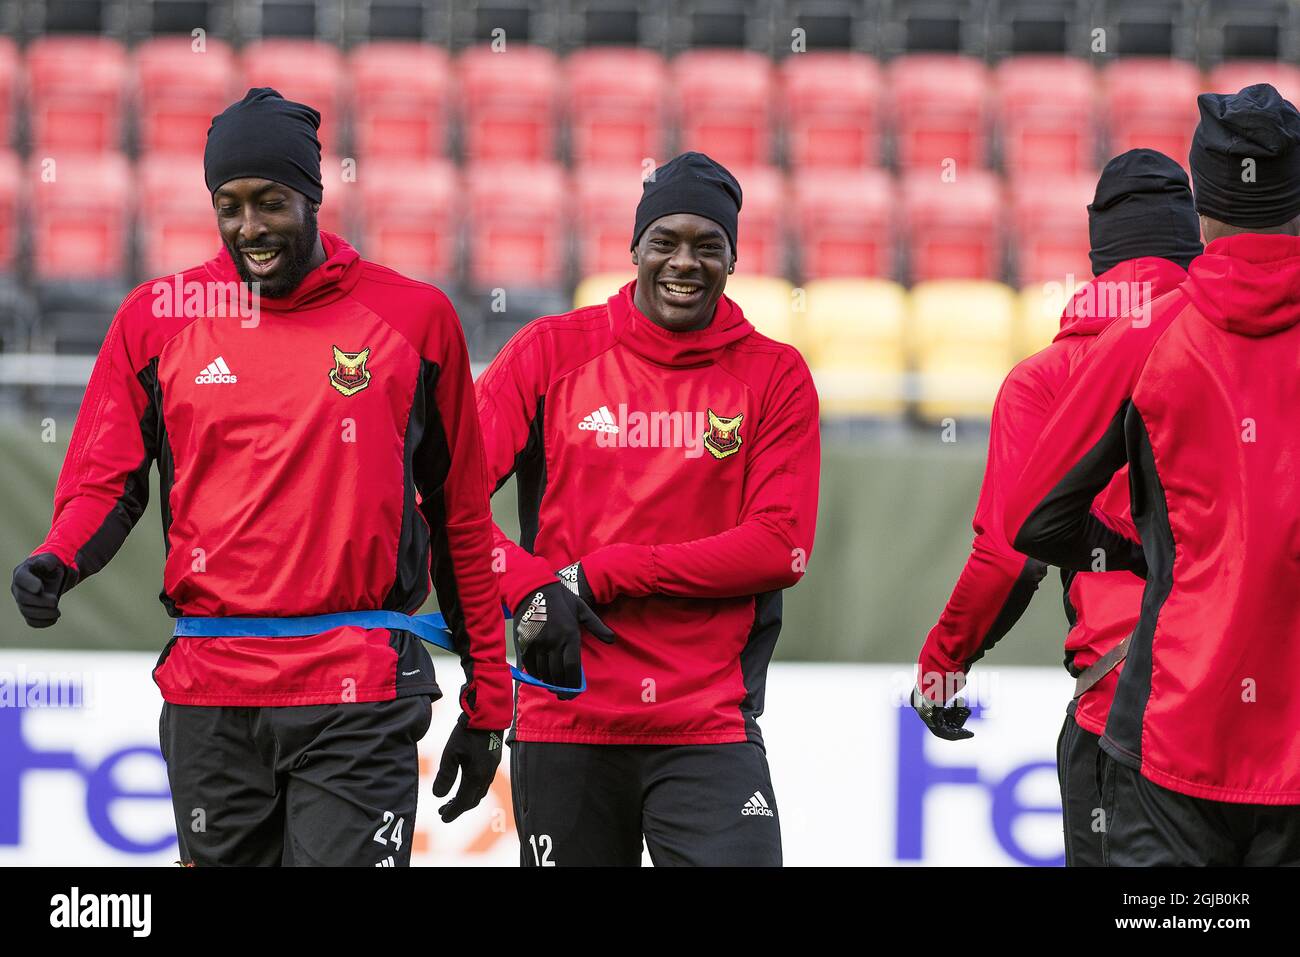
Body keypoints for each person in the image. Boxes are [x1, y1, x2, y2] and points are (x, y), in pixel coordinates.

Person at [9, 88, 510, 866]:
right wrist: (60, 556)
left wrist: (489, 700)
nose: (250, 227)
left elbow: (462, 519)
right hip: (211, 694)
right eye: (229, 204)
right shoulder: (157, 319)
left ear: (312, 194)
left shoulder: (415, 320)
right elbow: (105, 482)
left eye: (271, 202)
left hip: (361, 692)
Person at [476, 152, 821, 866]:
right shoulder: (549, 352)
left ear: (732, 258)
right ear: (634, 248)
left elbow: (779, 545)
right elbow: (443, 502)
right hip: (565, 715)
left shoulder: (774, 373)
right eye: (665, 241)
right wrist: (529, 586)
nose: (684, 263)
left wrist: (607, 574)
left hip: (706, 723)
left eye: (708, 246)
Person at [1006, 84, 1300, 865]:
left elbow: (1034, 516)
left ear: (1203, 204)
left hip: (1172, 734)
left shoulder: (1152, 331)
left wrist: (1146, 552)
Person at [911, 149, 1201, 866]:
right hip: (1259, 714)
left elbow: (1010, 554)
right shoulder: (1252, 349)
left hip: (1123, 716)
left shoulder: (1046, 377)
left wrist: (943, 665)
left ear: (1099, 261)